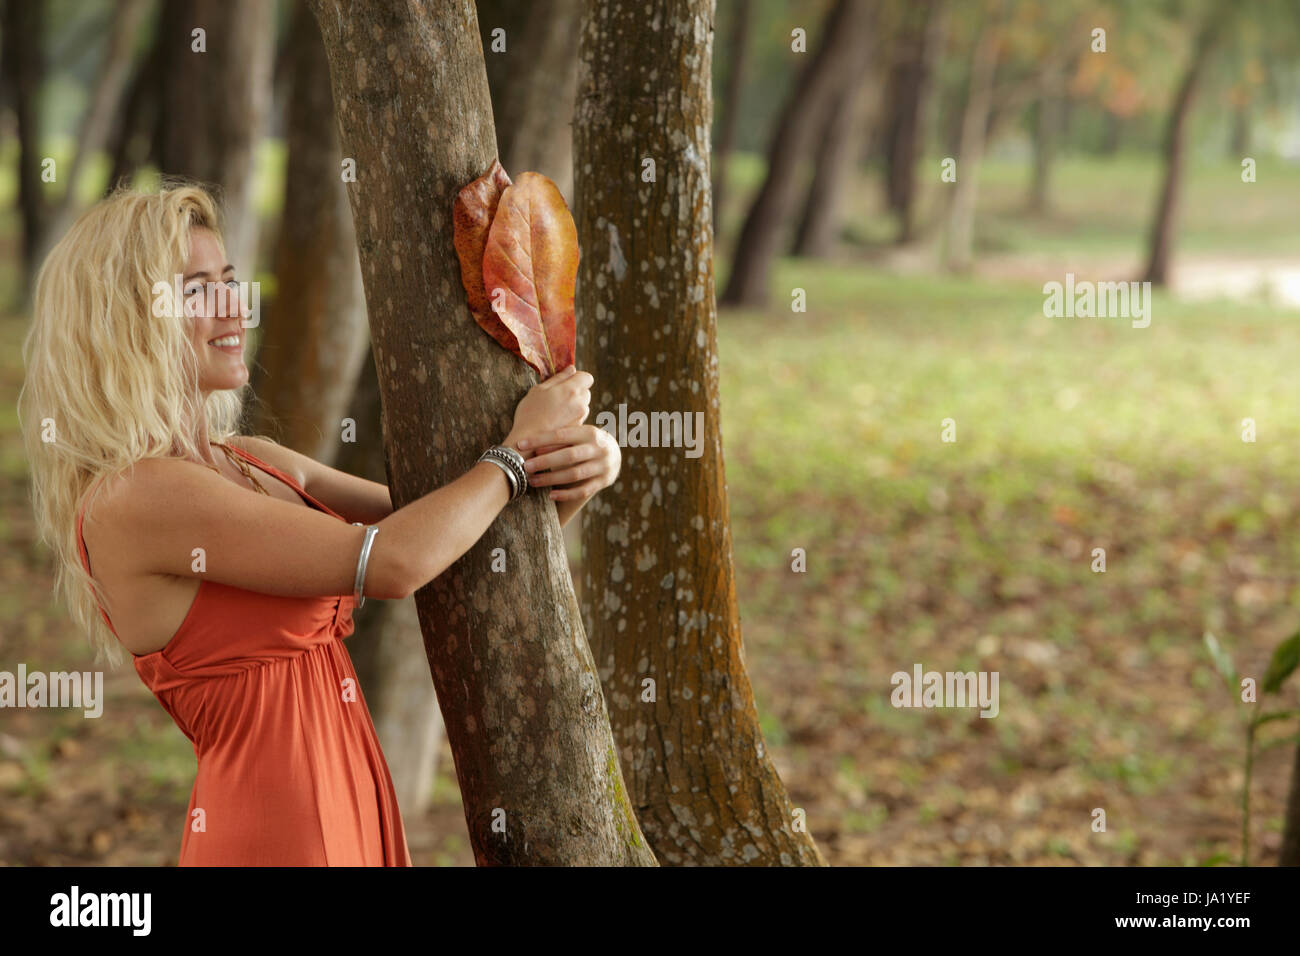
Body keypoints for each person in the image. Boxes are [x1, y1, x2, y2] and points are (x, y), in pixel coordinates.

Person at [16, 182, 621, 865]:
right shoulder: (135, 497)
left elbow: (456, 543)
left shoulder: (253, 461)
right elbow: (392, 562)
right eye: (194, 291)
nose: (233, 306)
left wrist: (578, 469)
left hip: (350, 797)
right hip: (277, 830)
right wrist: (514, 454)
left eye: (230, 280)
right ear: (124, 321)